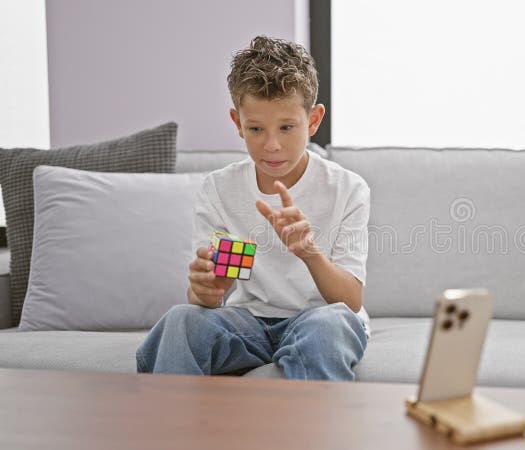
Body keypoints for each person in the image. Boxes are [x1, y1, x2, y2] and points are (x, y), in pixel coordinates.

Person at [136, 36, 370, 380]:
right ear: (237, 122)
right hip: (249, 322)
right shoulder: (219, 189)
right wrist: (206, 289)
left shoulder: (347, 189)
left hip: (321, 318)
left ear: (314, 120)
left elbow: (349, 301)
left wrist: (309, 253)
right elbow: (208, 298)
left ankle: (312, 417)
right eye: (256, 129)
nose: (272, 145)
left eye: (287, 127)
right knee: (180, 321)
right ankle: (172, 415)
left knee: (327, 328)